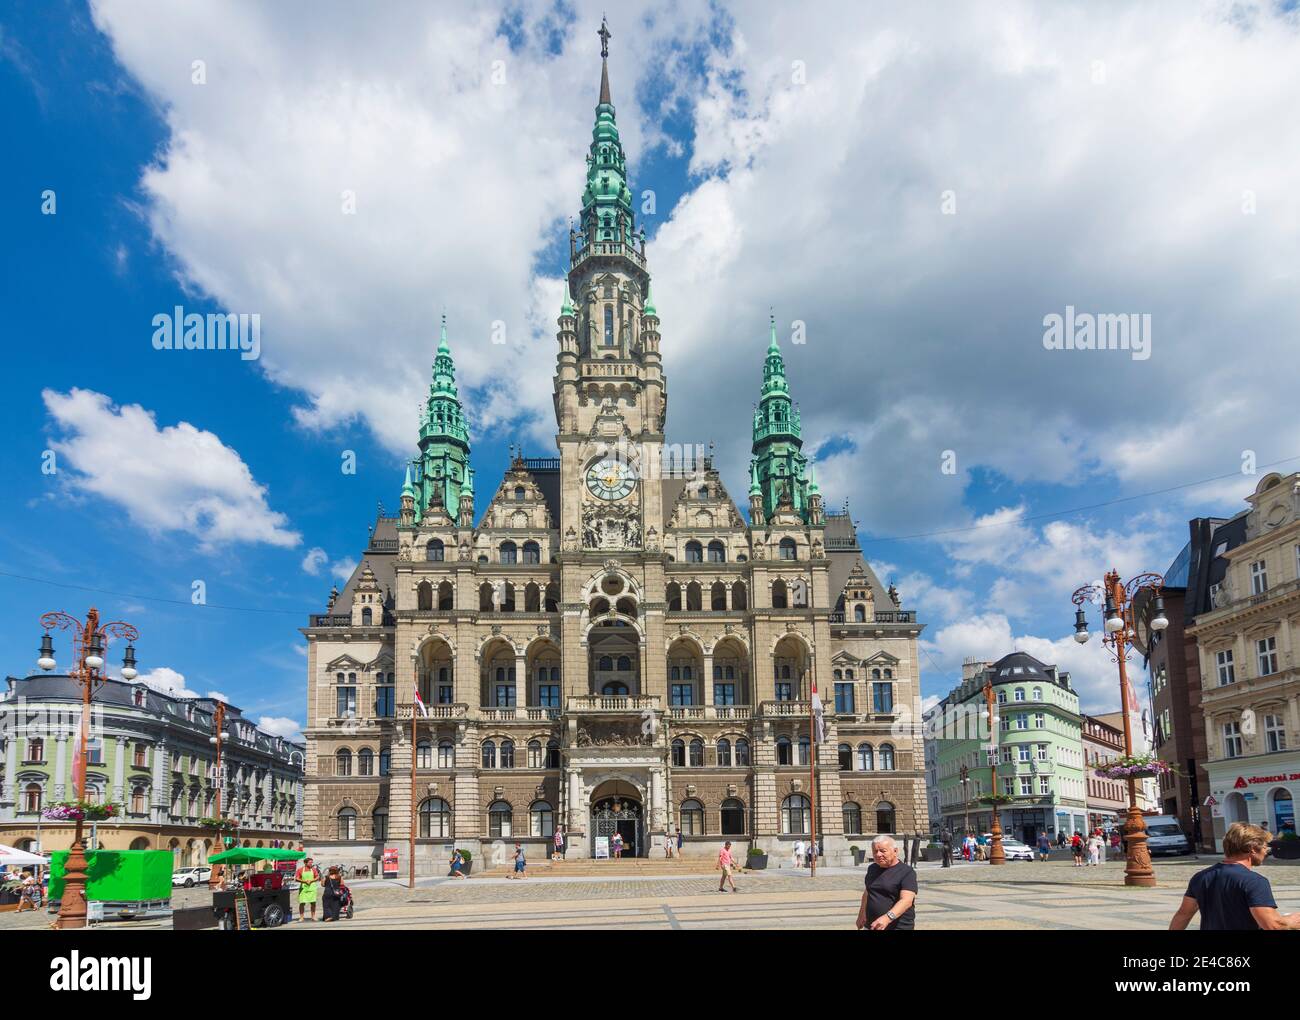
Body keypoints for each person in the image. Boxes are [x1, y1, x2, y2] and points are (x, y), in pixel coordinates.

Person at [1169, 823, 1300, 931]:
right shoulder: (1254, 881)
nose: (1266, 852)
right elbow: (1273, 926)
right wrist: (1290, 921)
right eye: (1265, 847)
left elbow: (1183, 915)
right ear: (1253, 848)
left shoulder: (1201, 877)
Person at [856, 835, 918, 931]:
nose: (878, 854)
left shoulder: (906, 872)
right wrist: (862, 913)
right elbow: (868, 892)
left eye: (883, 851)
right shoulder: (872, 868)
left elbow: (906, 901)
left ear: (895, 851)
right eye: (875, 851)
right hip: (872, 925)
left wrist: (887, 918)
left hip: (898, 926)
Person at [294, 857, 321, 921]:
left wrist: (311, 880)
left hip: (312, 888)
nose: (311, 864)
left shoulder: (313, 869)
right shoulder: (300, 870)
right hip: (303, 888)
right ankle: (301, 917)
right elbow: (296, 878)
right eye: (310, 862)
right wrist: (304, 881)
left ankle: (313, 916)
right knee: (302, 903)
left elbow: (317, 877)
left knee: (313, 903)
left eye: (312, 862)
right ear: (305, 863)